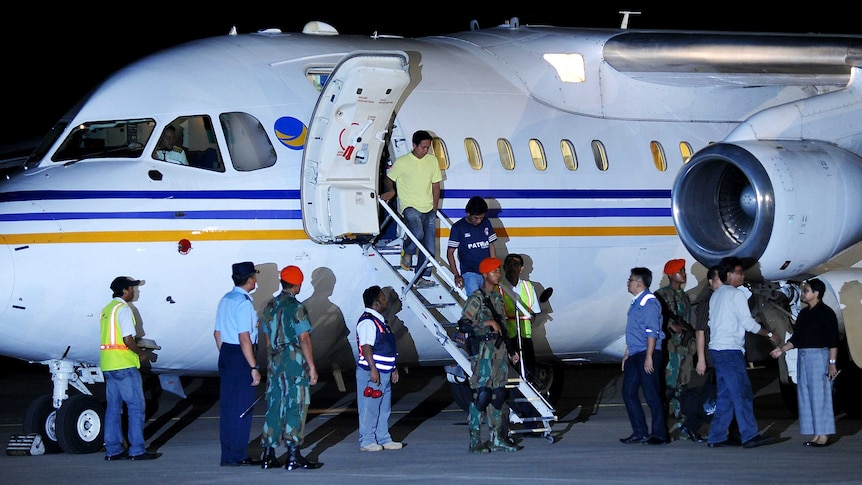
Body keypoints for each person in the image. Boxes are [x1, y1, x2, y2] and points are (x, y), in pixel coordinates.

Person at [701, 260, 779, 449]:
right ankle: (749, 435)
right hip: (730, 350)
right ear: (728, 275)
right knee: (742, 393)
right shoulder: (736, 295)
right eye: (739, 273)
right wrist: (769, 334)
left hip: (717, 350)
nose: (742, 276)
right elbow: (748, 323)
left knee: (726, 396)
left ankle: (716, 436)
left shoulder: (716, 296)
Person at [259, 265, 323, 470]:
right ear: (297, 284)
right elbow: (304, 338)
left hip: (275, 361)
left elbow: (267, 340)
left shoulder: (269, 306)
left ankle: (268, 454)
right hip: (294, 362)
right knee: (295, 404)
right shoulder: (296, 308)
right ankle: (293, 454)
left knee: (275, 404)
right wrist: (311, 366)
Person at [461, 257, 522, 453]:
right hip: (483, 353)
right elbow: (463, 324)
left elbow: (503, 327)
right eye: (495, 271)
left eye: (498, 271)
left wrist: (512, 351)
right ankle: (475, 440)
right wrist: (486, 324)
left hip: (500, 352)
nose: (498, 274)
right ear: (486, 274)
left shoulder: (498, 297)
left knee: (498, 396)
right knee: (482, 395)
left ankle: (496, 438)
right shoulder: (477, 298)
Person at [770, 278, 840, 447]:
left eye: (806, 290)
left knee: (820, 395)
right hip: (804, 356)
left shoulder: (826, 313)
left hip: (819, 356)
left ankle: (823, 434)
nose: (803, 293)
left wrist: (832, 363)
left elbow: (833, 341)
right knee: (806, 395)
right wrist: (782, 350)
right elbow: (797, 339)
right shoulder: (804, 313)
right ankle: (816, 433)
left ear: (816, 293)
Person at [100, 276, 161, 461]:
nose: (135, 291)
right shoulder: (124, 309)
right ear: (125, 291)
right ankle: (137, 450)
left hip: (108, 365)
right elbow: (127, 339)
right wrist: (141, 353)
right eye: (133, 288)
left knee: (113, 408)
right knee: (136, 407)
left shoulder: (107, 309)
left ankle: (113, 450)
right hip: (124, 365)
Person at [213, 261, 263, 466]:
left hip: (226, 352)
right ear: (250, 279)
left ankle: (228, 454)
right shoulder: (243, 303)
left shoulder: (225, 299)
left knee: (228, 408)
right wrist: (252, 367)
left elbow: (217, 333)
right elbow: (245, 337)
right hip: (240, 355)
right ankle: (238, 455)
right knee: (242, 408)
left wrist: (227, 354)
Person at [380, 130, 443, 288]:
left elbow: (436, 185)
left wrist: (434, 208)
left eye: (428, 147)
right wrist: (392, 191)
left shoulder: (432, 161)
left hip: (428, 208)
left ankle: (421, 277)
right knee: (417, 232)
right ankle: (407, 251)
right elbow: (388, 179)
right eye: (423, 147)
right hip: (409, 206)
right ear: (414, 145)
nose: (425, 150)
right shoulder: (402, 162)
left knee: (429, 247)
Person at [620, 267, 668, 445]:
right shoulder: (636, 302)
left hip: (647, 353)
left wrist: (649, 356)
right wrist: (627, 352)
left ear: (639, 283)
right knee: (628, 392)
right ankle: (639, 432)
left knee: (652, 395)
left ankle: (659, 434)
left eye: (630, 279)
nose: (628, 282)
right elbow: (635, 330)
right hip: (635, 353)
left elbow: (652, 332)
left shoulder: (649, 303)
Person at [355, 285, 403, 452]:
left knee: (384, 407)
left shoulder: (381, 321)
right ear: (376, 303)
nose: (386, 300)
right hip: (372, 374)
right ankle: (367, 440)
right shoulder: (368, 321)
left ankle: (383, 438)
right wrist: (373, 370)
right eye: (383, 298)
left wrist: (393, 367)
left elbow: (386, 347)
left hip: (384, 372)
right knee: (369, 407)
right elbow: (366, 347)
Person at [654, 258, 696, 426]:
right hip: (672, 346)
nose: (684, 274)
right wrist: (673, 325)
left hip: (685, 346)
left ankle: (681, 418)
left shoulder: (683, 296)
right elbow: (660, 315)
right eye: (681, 271)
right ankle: (665, 420)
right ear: (671, 275)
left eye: (684, 270)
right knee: (669, 385)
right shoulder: (662, 295)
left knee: (683, 383)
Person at [447, 196, 498, 296]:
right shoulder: (458, 227)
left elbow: (491, 246)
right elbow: (450, 253)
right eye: (476, 218)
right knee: (475, 304)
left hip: (487, 272)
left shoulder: (486, 222)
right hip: (470, 273)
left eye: (481, 218)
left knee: (492, 304)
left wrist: (494, 269)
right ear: (468, 213)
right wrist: (456, 275)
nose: (479, 221)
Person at [501, 253, 540, 382]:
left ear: (521, 268)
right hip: (507, 336)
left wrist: (530, 318)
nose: (512, 267)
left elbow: (535, 311)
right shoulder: (499, 287)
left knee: (529, 369)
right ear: (504, 267)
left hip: (525, 335)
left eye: (515, 265)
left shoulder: (528, 287)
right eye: (509, 264)